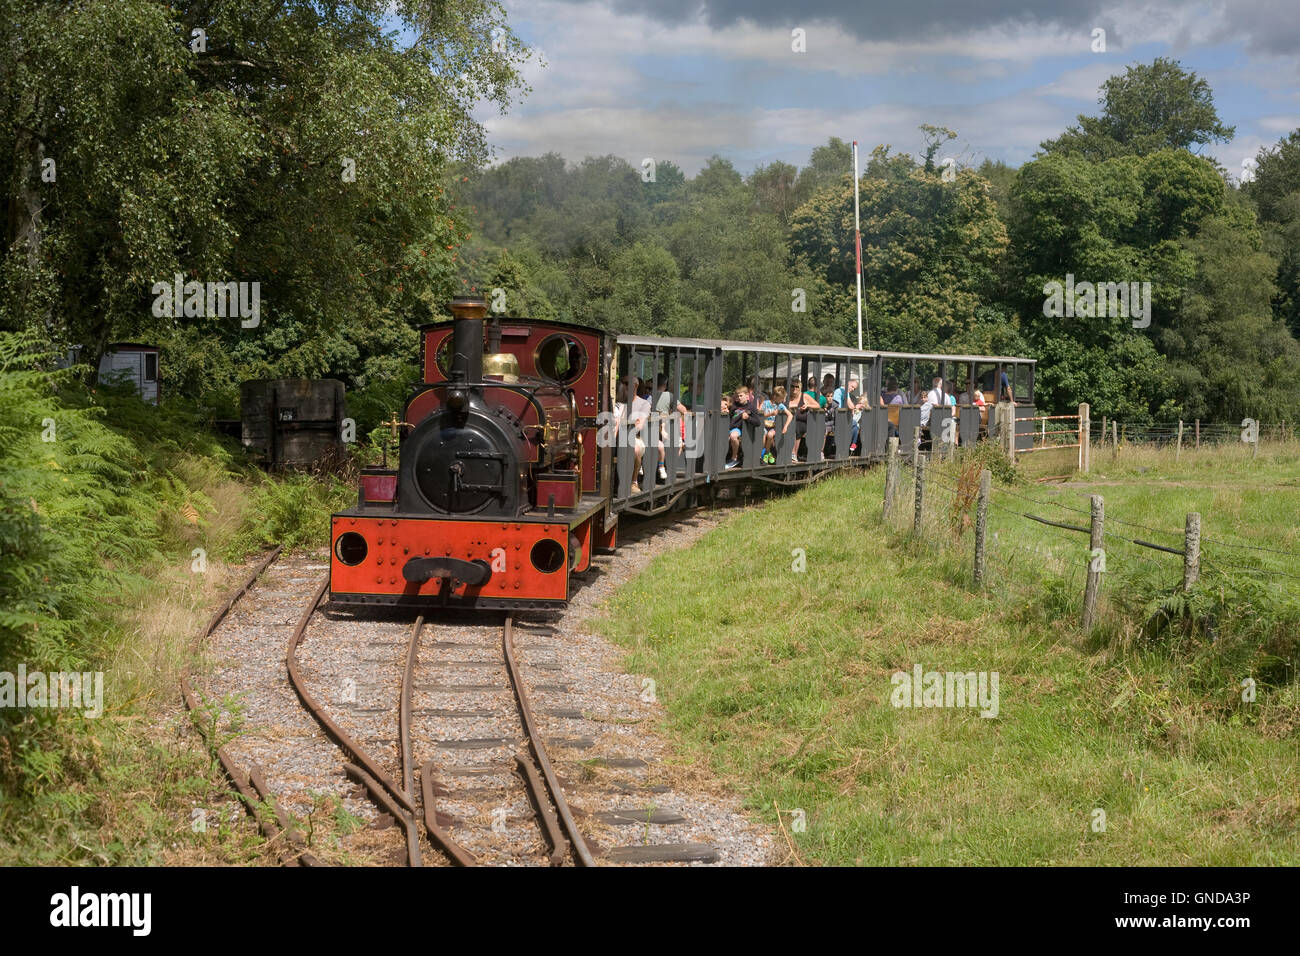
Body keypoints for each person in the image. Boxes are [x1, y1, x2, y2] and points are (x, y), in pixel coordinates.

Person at [654, 375, 688, 482]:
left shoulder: (649, 395)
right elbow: (683, 409)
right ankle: (670, 467)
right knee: (678, 443)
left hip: (652, 426)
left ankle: (661, 466)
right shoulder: (669, 395)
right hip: (665, 426)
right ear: (665, 385)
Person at [629, 380, 651, 493]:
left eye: (627, 383)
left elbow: (640, 425)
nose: (623, 386)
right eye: (622, 383)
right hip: (617, 437)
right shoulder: (619, 402)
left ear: (635, 386)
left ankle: (634, 482)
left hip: (636, 437)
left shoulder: (644, 404)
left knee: (636, 448)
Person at [760, 385, 793, 464]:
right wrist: (770, 414)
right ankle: (762, 454)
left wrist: (785, 426)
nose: (782, 401)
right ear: (775, 396)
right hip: (764, 425)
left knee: (770, 435)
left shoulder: (780, 405)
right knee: (762, 434)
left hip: (773, 427)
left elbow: (790, 415)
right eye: (781, 398)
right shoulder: (765, 403)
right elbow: (760, 414)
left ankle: (766, 453)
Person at [726, 385, 755, 468]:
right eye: (738, 396)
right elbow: (730, 414)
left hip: (739, 429)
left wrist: (748, 418)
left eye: (741, 396)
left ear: (747, 395)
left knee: (733, 436)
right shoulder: (734, 405)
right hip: (730, 427)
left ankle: (734, 457)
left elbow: (758, 422)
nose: (739, 398)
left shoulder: (751, 407)